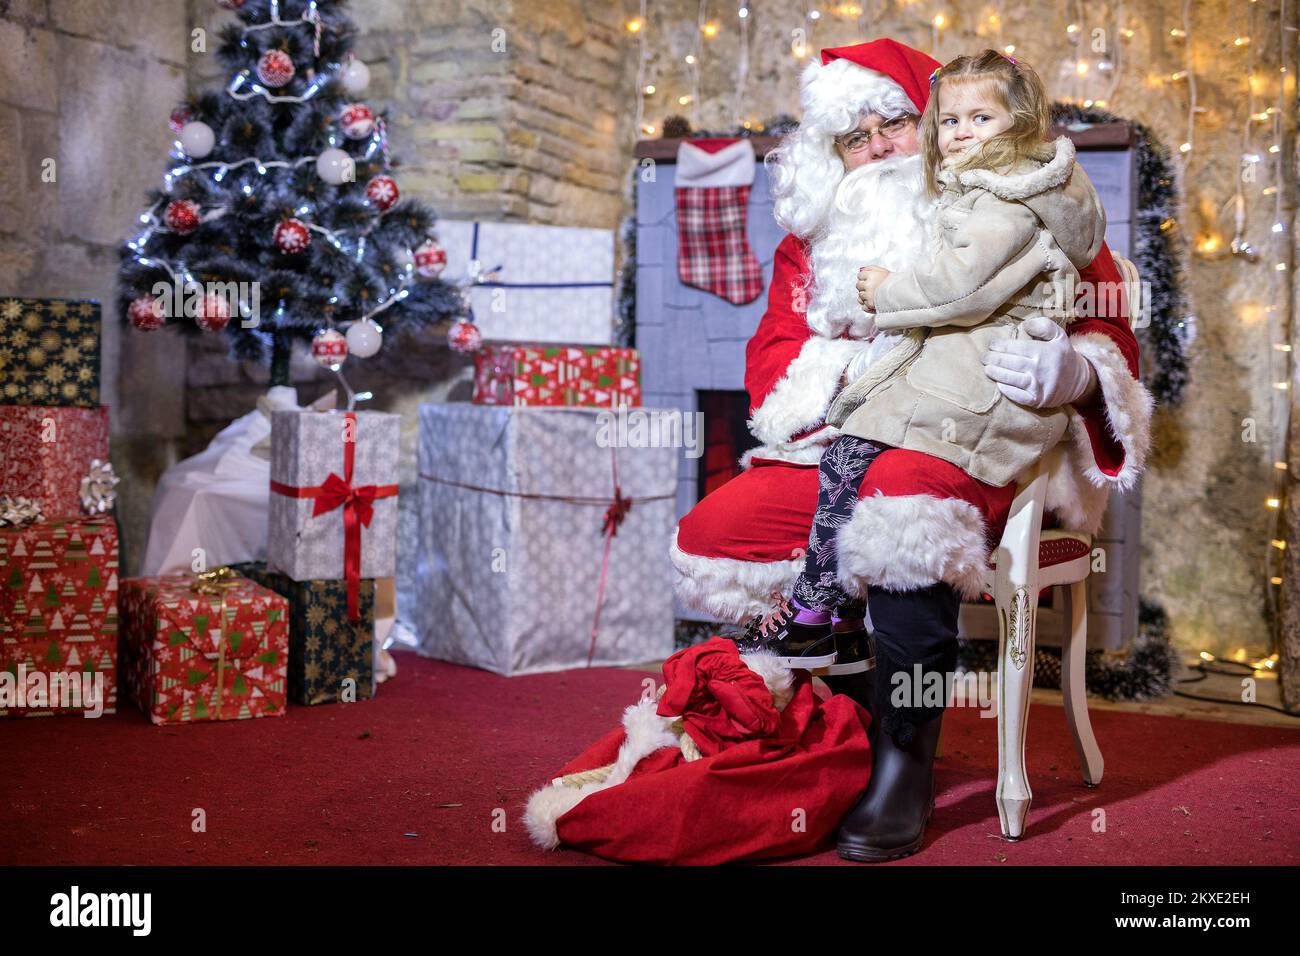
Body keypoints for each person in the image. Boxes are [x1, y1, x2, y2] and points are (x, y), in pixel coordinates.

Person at [669, 38, 1154, 861]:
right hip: (842, 440)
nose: (880, 148)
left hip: (974, 439)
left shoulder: (1012, 192)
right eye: (855, 138)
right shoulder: (813, 246)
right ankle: (841, 707)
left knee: (902, 501)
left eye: (894, 122)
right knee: (719, 532)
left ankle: (905, 757)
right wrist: (843, 371)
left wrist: (1074, 374)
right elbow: (770, 364)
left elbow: (1104, 311)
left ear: (931, 125)